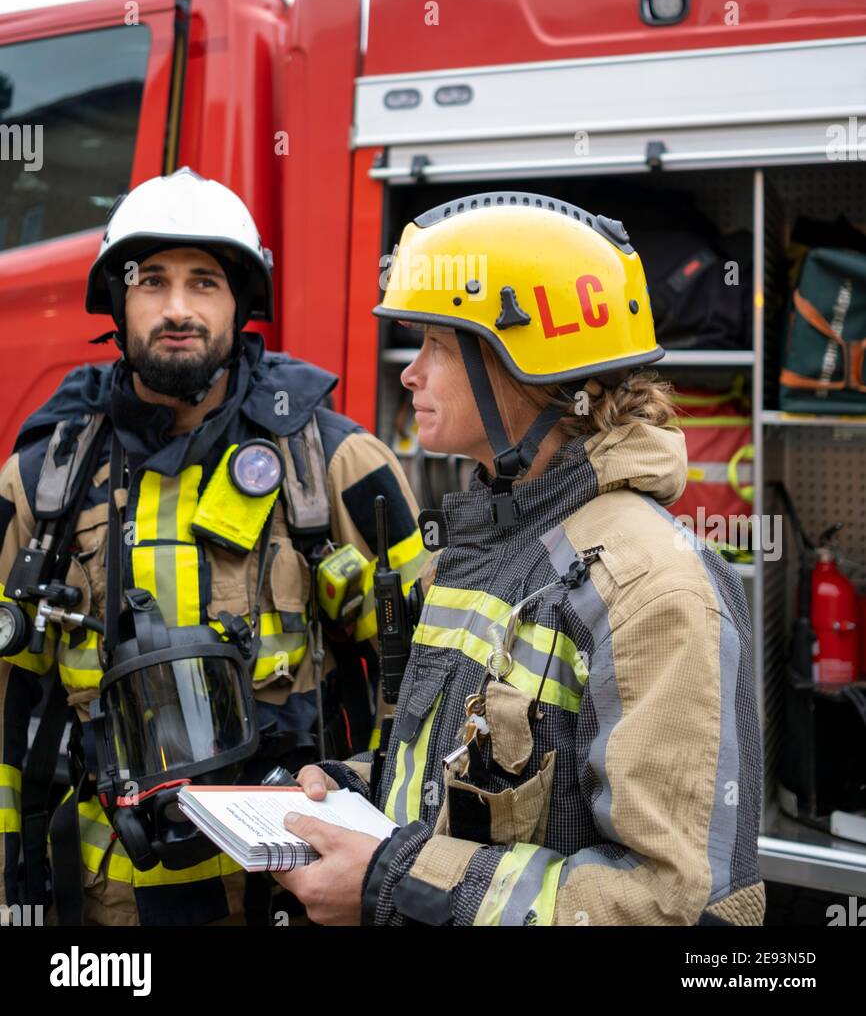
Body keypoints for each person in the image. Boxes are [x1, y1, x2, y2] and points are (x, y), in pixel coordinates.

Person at [276, 193, 767, 927]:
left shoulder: (650, 588)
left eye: (437, 347)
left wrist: (392, 880)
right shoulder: (486, 548)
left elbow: (676, 910)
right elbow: (457, 785)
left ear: (528, 366)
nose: (410, 376)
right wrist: (347, 796)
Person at [0, 168, 424, 926]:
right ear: (115, 301)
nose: (177, 309)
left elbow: (429, 681)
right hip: (107, 912)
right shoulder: (43, 480)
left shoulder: (335, 466)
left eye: (204, 283)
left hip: (290, 897)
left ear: (241, 305)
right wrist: (15, 894)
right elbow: (8, 713)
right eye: (151, 281)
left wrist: (383, 865)